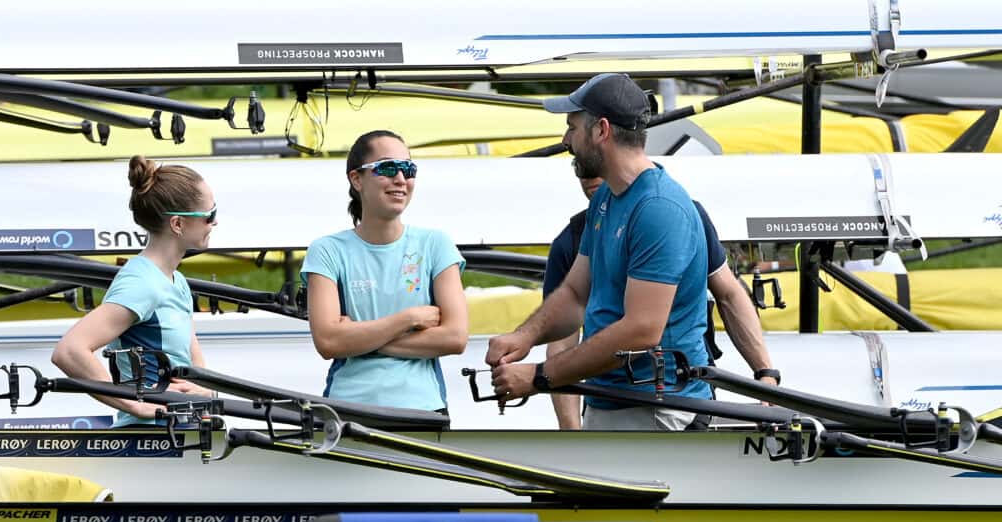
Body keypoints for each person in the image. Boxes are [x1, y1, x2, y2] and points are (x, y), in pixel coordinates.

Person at [487, 73, 712, 431]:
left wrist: (541, 376)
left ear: (601, 130)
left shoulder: (658, 208)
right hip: (616, 400)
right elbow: (576, 293)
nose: (565, 140)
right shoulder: (607, 197)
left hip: (660, 407)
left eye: (572, 127)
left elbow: (641, 330)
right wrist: (524, 337)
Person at [542, 160, 781, 429]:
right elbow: (561, 345)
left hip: (685, 398)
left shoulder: (678, 214)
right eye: (580, 167)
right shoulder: (570, 242)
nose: (589, 174)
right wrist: (571, 434)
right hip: (607, 401)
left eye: (594, 162)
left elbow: (729, 294)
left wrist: (765, 373)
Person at [301, 130, 468, 411]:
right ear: (356, 179)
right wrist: (409, 318)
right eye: (388, 168)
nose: (401, 179)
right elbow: (328, 342)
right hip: (347, 410)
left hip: (424, 409)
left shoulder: (436, 244)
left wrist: (357, 338)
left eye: (408, 169)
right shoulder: (326, 250)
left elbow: (455, 337)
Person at [52, 155, 214, 428]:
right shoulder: (141, 284)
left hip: (183, 433)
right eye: (210, 216)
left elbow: (192, 361)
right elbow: (69, 351)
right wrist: (134, 404)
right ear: (178, 224)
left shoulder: (178, 281)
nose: (215, 223)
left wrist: (204, 391)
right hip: (151, 439)